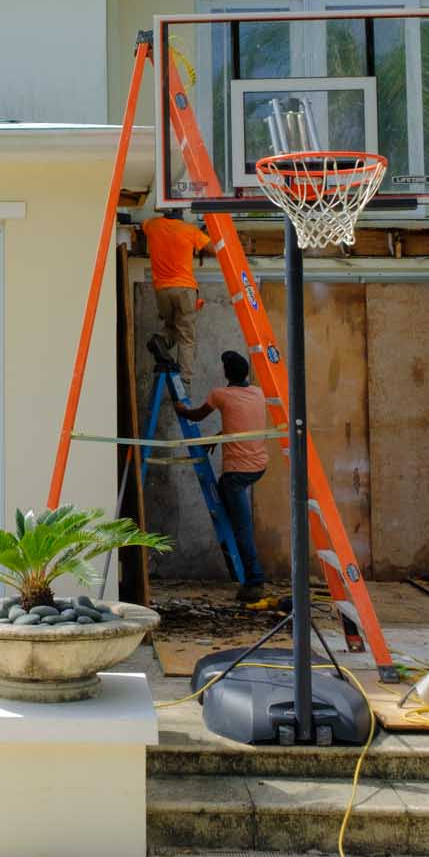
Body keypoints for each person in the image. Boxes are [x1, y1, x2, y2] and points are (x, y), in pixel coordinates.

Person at [177, 350, 270, 603]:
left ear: (227, 373)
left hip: (237, 473)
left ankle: (254, 580)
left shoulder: (221, 395)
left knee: (241, 527)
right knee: (227, 499)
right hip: (259, 466)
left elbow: (197, 415)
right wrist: (220, 436)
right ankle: (245, 563)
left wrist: (180, 409)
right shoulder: (258, 393)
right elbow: (242, 421)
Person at [142, 210, 210, 386]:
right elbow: (211, 248)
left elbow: (142, 226)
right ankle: (185, 378)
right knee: (186, 335)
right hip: (185, 289)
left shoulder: (152, 225)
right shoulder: (190, 230)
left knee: (172, 325)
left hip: (162, 289)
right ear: (182, 214)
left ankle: (160, 339)